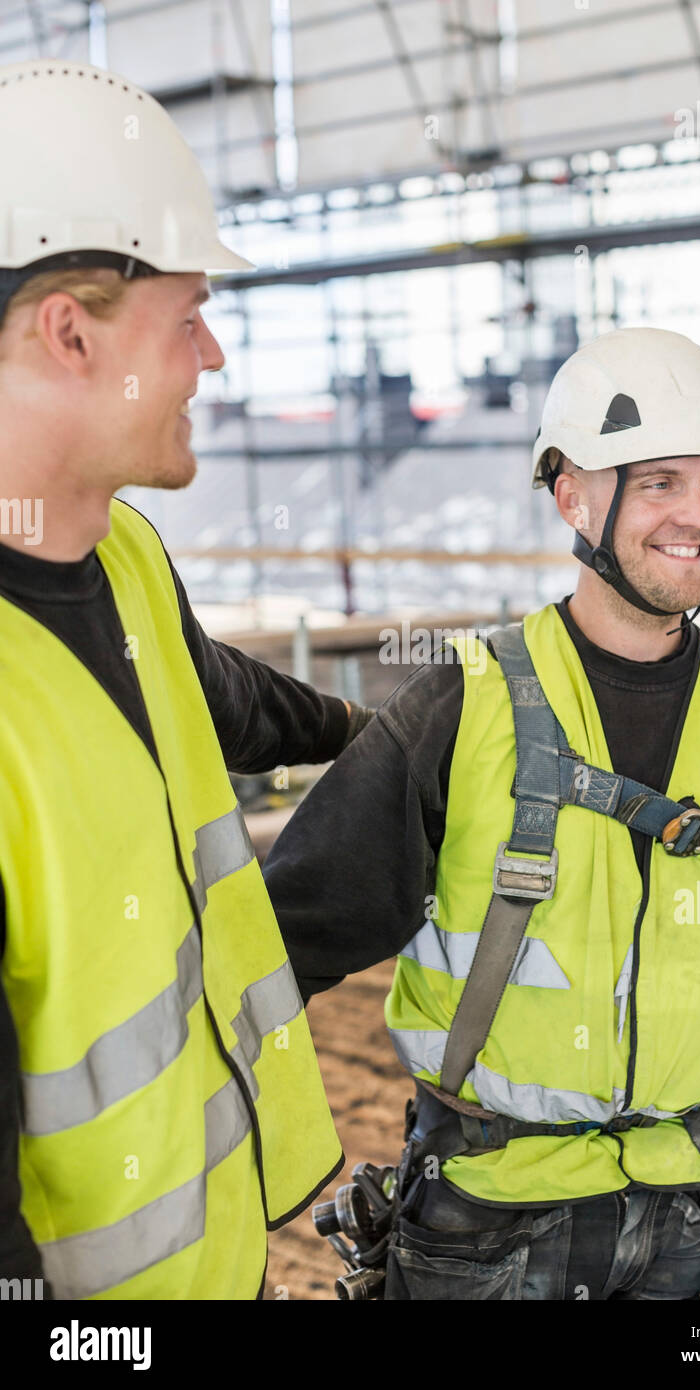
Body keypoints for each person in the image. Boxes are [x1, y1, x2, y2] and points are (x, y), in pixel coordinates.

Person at [263, 326, 700, 1301]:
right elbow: (281, 940)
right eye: (659, 480)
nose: (697, 515)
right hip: (489, 1222)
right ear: (571, 494)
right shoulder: (461, 710)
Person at [0, 59, 373, 1299]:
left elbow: (216, 695)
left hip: (222, 1262)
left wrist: (383, 731)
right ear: (70, 330)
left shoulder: (122, 554)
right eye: (189, 315)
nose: (210, 355)